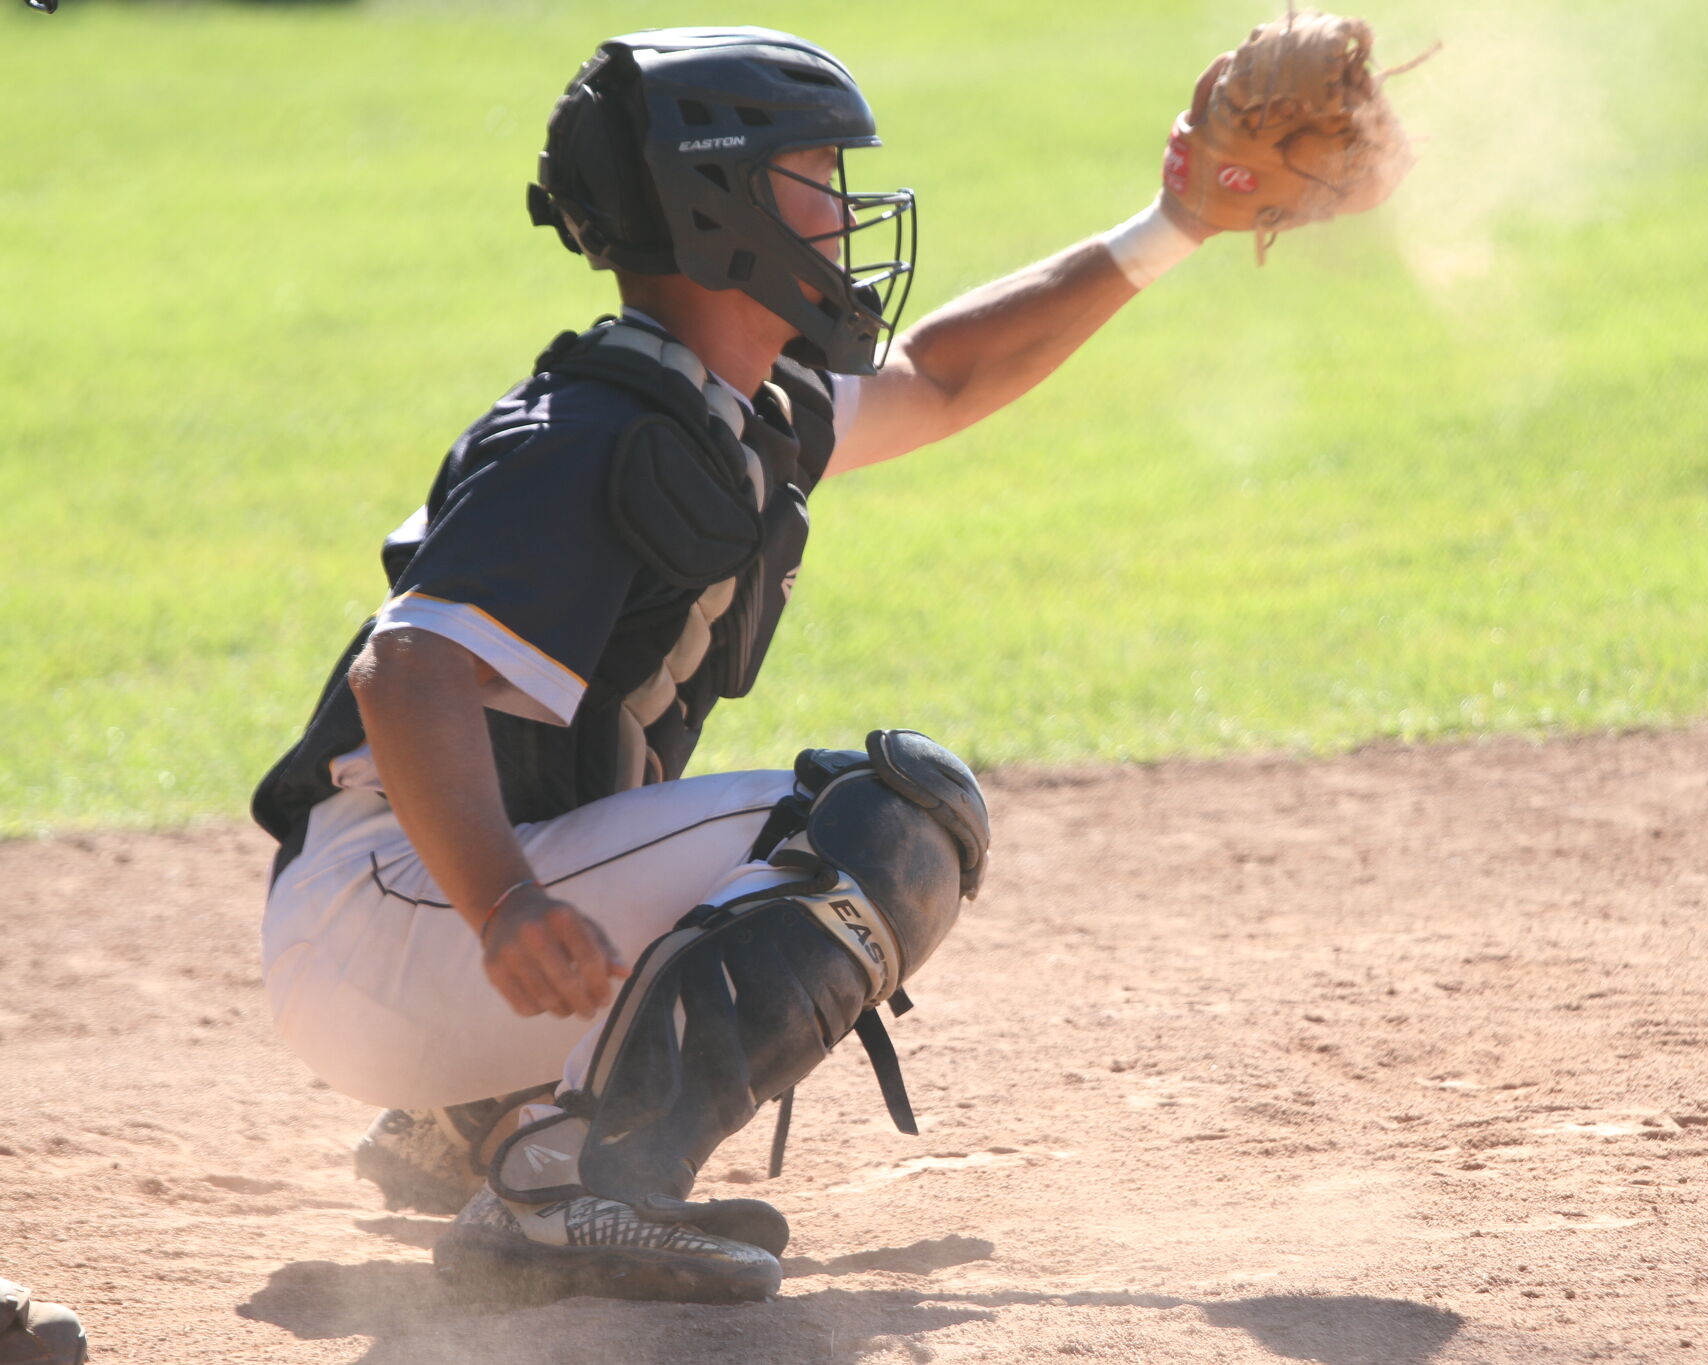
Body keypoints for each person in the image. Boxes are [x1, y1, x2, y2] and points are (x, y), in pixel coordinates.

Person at [252, 25, 1406, 1304]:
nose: (849, 208)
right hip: (395, 921)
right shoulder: (586, 434)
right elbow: (404, 671)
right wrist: (505, 910)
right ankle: (562, 1180)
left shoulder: (725, 405)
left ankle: (489, 1117)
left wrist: (1176, 221)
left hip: (434, 943)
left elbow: (943, 377)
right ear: (716, 203)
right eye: (815, 173)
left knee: (816, 831)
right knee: (883, 819)